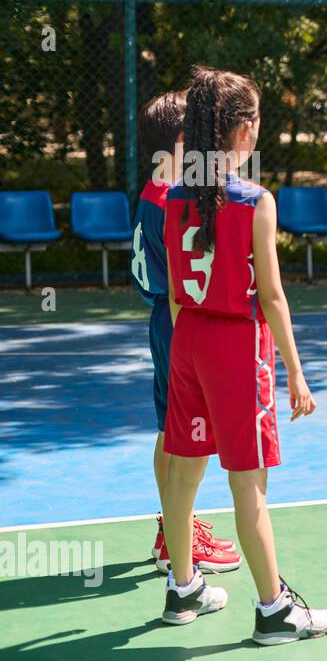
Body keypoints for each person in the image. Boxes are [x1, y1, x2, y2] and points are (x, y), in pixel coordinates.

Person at [159, 65, 327, 645]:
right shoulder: (256, 200)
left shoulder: (174, 196)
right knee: (248, 485)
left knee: (185, 473)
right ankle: (274, 611)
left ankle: (183, 587)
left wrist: (188, 352)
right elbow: (273, 295)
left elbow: (176, 289)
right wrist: (296, 374)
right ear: (241, 132)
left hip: (189, 338)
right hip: (238, 346)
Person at [131, 89, 240, 575]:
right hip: (178, 326)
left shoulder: (154, 188)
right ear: (182, 139)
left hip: (164, 321)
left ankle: (173, 528)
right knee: (182, 436)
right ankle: (179, 542)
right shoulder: (169, 200)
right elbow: (180, 287)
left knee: (168, 429)